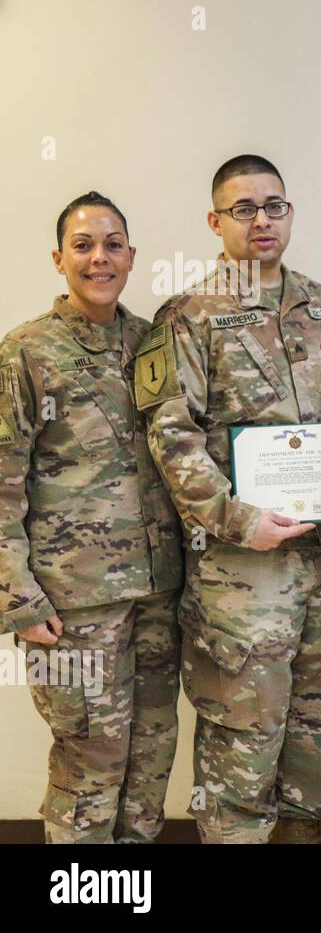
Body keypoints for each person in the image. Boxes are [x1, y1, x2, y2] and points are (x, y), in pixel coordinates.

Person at [138, 156, 321, 844]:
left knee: (318, 740)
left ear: (290, 214)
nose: (261, 220)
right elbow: (171, 437)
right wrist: (238, 518)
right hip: (242, 576)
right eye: (243, 208)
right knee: (241, 750)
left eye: (274, 206)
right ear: (215, 221)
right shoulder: (187, 318)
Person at [0, 192, 182, 843]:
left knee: (153, 754)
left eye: (112, 245)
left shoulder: (152, 345)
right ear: (59, 259)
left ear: (130, 256)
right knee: (91, 760)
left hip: (158, 591)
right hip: (74, 603)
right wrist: (17, 596)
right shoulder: (26, 352)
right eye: (83, 246)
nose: (99, 257)